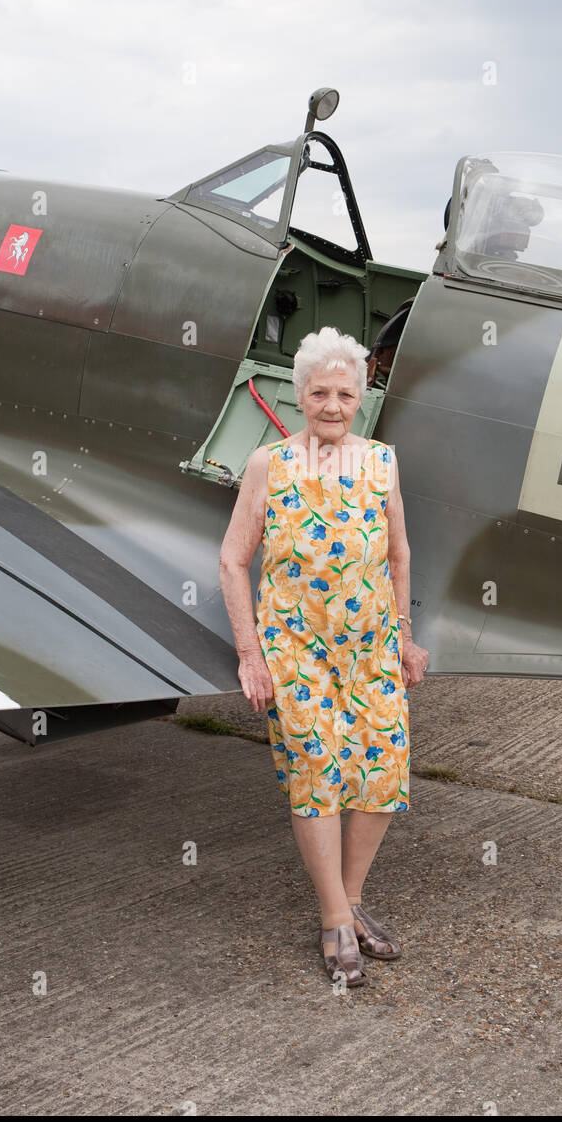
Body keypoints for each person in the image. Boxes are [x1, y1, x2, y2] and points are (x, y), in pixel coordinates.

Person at [219, 326, 429, 987]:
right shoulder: (268, 465)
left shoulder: (381, 463)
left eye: (344, 393)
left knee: (381, 763)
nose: (332, 405)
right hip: (296, 651)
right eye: (319, 393)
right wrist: (250, 656)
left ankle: (353, 898)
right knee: (316, 765)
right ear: (300, 396)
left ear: (360, 397)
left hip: (370, 649)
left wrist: (403, 636)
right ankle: (334, 915)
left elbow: (398, 555)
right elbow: (232, 560)